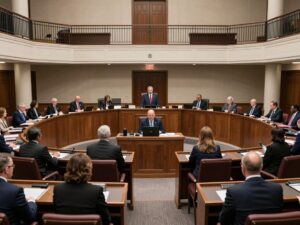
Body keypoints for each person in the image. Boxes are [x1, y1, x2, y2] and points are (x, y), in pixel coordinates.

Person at [219, 151, 283, 225]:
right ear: (261, 167)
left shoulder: (234, 191)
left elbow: (224, 220)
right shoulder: (277, 189)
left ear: (242, 167)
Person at [53, 153, 112, 225]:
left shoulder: (57, 189)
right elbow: (106, 219)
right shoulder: (96, 191)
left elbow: (56, 214)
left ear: (68, 168)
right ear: (88, 170)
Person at [0, 154, 37, 225]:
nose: (13, 168)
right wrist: (31, 201)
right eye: (12, 166)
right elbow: (30, 217)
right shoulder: (15, 191)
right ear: (7, 169)